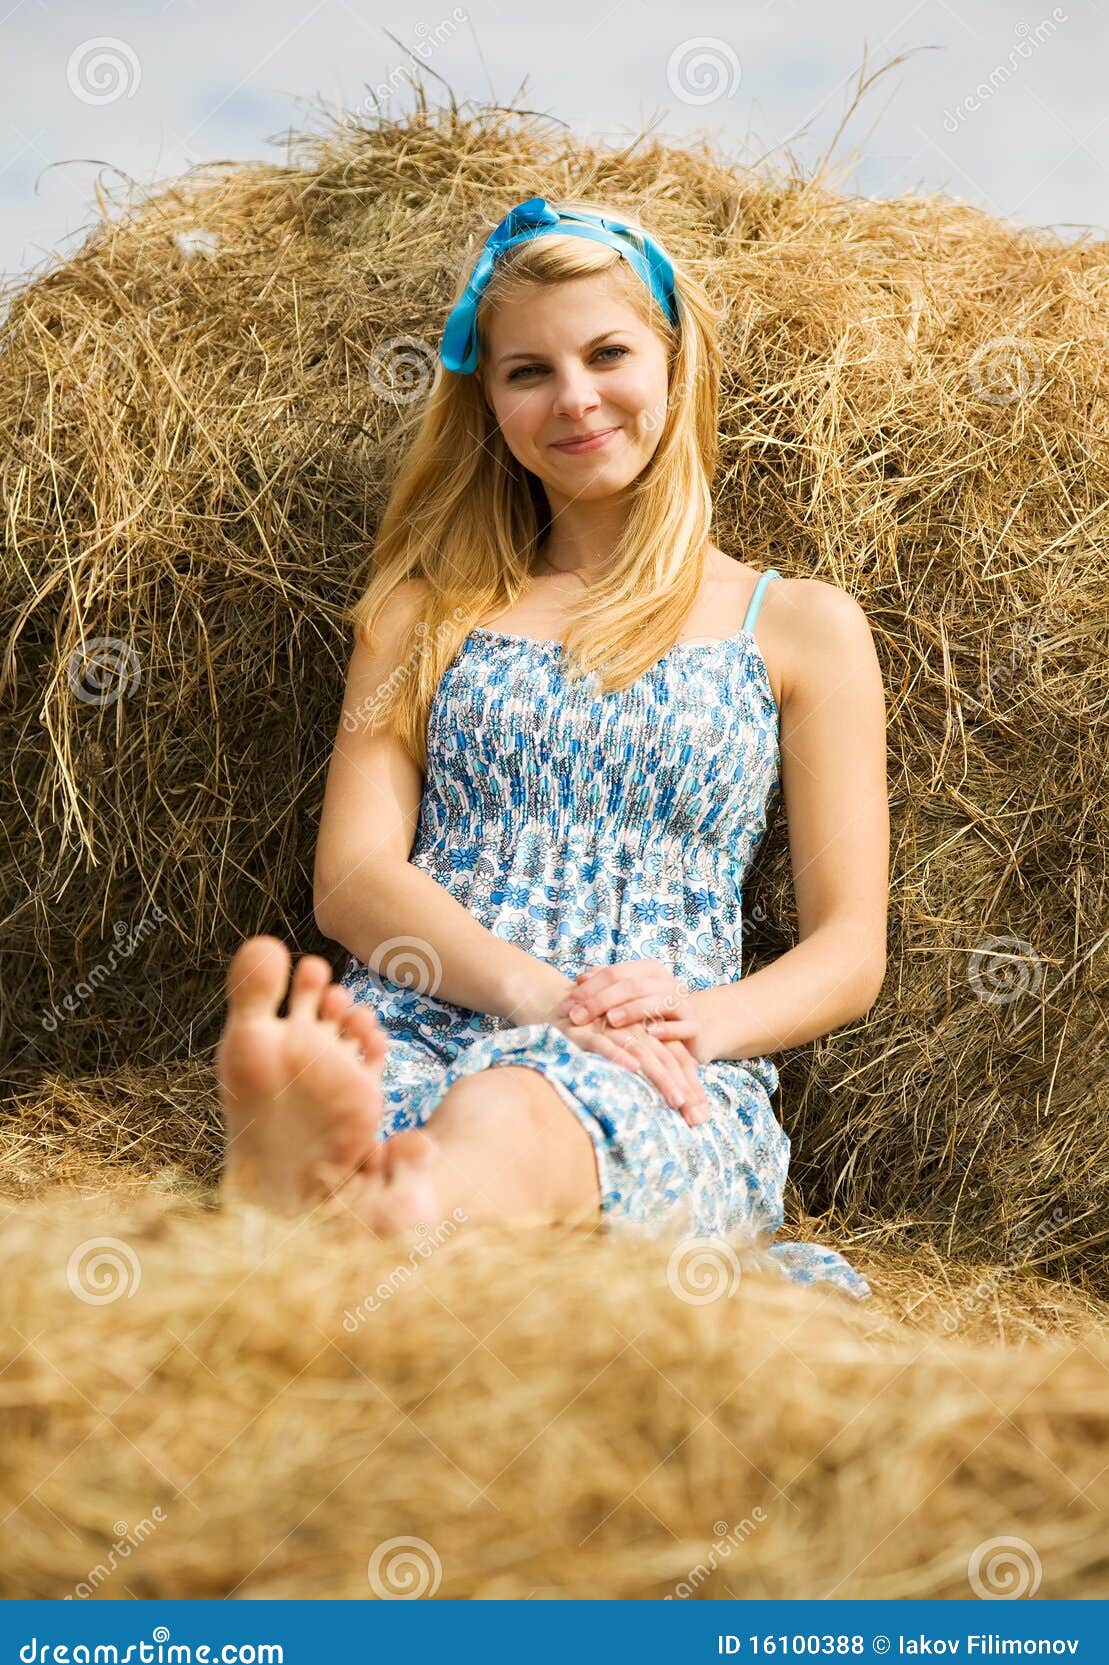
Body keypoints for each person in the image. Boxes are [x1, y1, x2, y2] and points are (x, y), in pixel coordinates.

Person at [216, 196, 889, 1298]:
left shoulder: (798, 625)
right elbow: (351, 876)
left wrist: (691, 1022)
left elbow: (848, 947)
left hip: (657, 1060)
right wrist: (534, 993)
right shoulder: (423, 614)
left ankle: (359, 1202)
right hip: (420, 1011)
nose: (574, 398)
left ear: (673, 362)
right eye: (527, 371)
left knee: (522, 1106)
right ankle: (347, 1175)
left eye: (607, 352)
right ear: (487, 401)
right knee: (418, 1092)